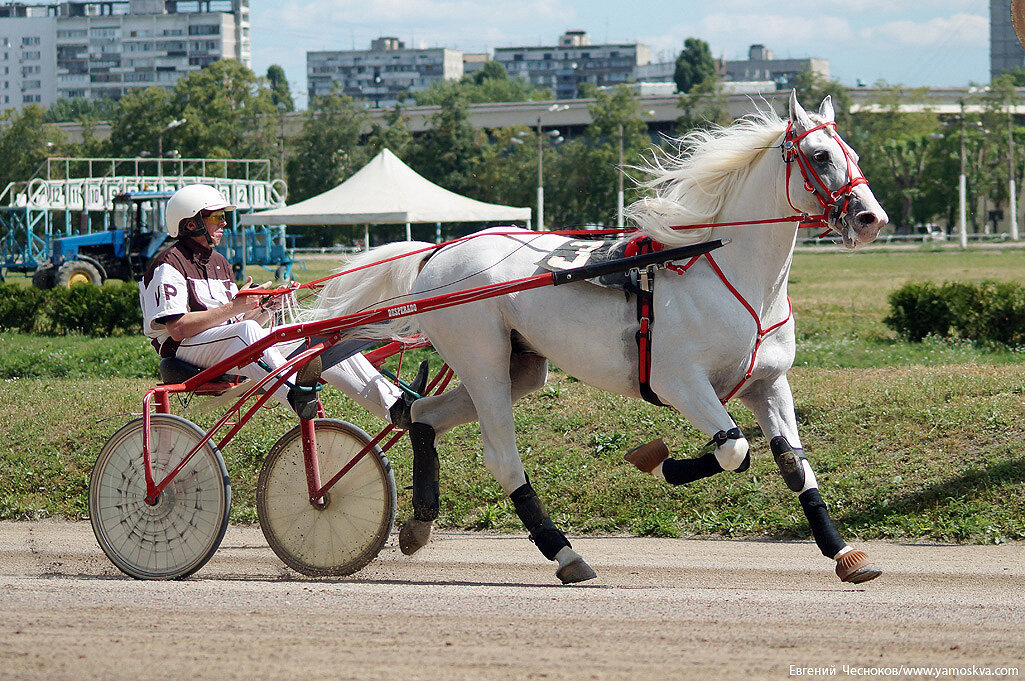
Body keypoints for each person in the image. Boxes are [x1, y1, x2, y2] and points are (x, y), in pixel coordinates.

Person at [140, 183, 419, 425]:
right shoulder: (170, 263)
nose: (224, 223)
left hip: (223, 348)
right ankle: (294, 395)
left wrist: (265, 308)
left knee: (319, 339)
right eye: (217, 217)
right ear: (191, 224)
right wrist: (236, 308)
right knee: (245, 333)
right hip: (184, 353)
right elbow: (177, 329)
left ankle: (397, 407)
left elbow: (235, 327)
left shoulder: (220, 263)